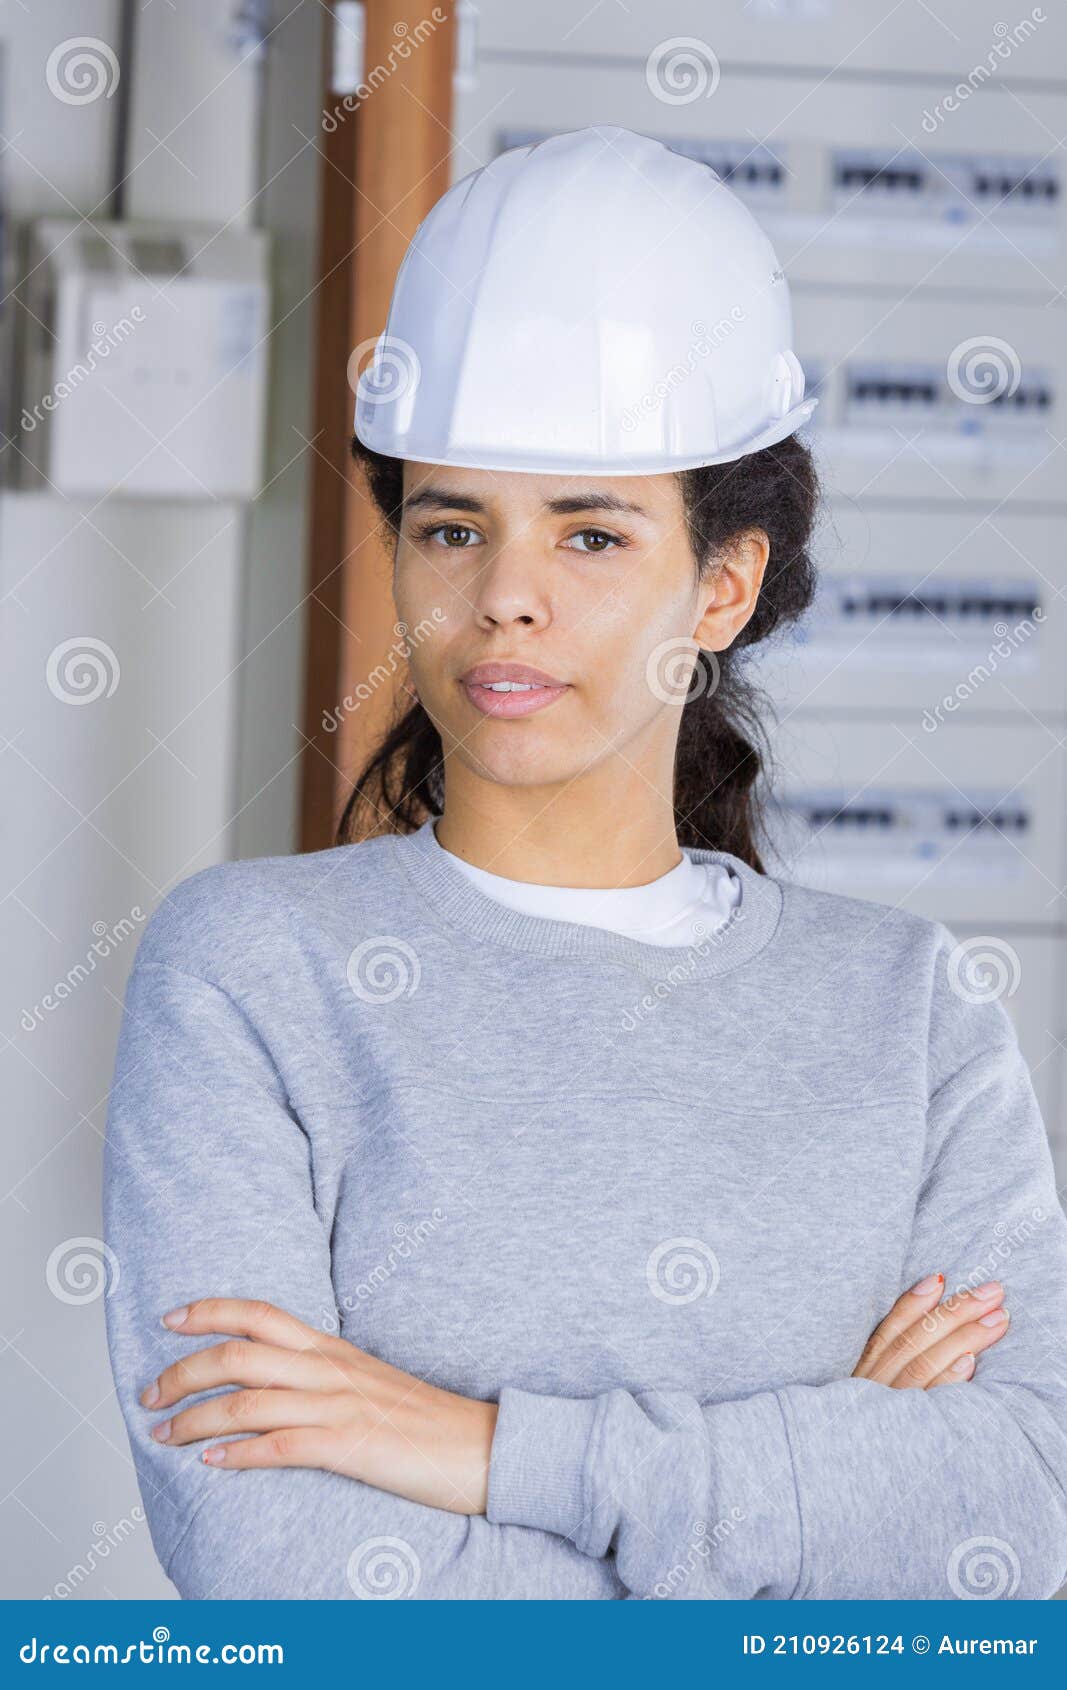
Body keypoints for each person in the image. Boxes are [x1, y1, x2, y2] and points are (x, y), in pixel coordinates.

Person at [103, 125, 1067, 1601]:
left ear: (724, 584)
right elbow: (277, 1560)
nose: (505, 601)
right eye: (450, 527)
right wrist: (822, 1488)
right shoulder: (249, 972)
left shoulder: (911, 1011)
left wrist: (482, 1449)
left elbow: (1019, 1516)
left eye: (593, 536)